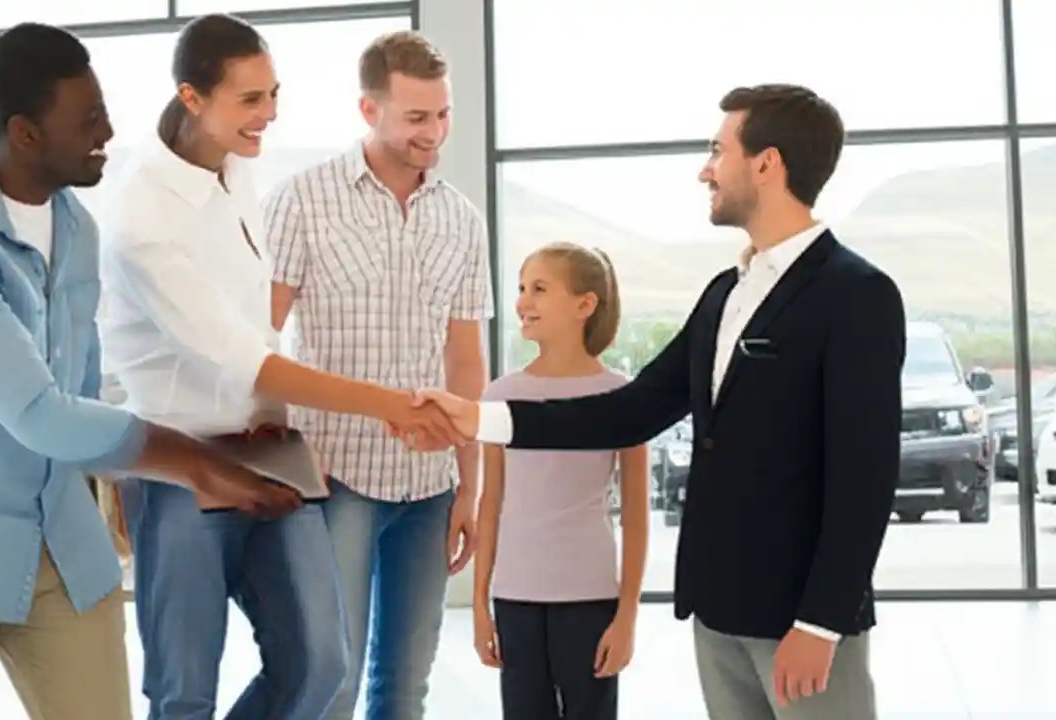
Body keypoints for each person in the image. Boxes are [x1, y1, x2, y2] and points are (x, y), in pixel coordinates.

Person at [414, 84, 906, 720]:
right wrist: (479, 417)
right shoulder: (724, 293)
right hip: (719, 612)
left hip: (801, 620)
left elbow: (865, 477)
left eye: (716, 151)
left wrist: (822, 622)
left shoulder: (858, 293)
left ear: (767, 164)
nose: (705, 169)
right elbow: (631, 410)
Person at [0, 23, 304, 720]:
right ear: (26, 133)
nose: (108, 130)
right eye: (87, 119)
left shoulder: (76, 227)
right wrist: (199, 466)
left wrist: (117, 480)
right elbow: (39, 410)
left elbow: (82, 378)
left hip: (58, 540)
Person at [97, 15, 458, 720]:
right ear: (193, 98)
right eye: (250, 100)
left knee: (324, 664)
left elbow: (255, 320)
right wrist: (389, 404)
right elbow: (249, 359)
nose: (269, 114)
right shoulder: (143, 217)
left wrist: (290, 427)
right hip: (179, 460)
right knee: (184, 692)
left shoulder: (237, 167)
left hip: (267, 449)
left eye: (273, 94)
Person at [263, 29, 493, 719]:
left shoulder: (462, 220)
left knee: (404, 688)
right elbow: (256, 345)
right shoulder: (302, 200)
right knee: (330, 679)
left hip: (429, 490)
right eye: (417, 117)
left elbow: (466, 363)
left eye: (443, 114)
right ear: (370, 110)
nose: (435, 132)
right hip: (334, 478)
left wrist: (468, 487)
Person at [472, 242, 649, 720]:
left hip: (590, 598)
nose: (522, 301)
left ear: (583, 305)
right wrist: (480, 604)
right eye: (522, 288)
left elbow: (636, 515)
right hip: (516, 597)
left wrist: (627, 616)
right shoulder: (500, 396)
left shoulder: (623, 397)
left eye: (539, 289)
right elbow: (491, 504)